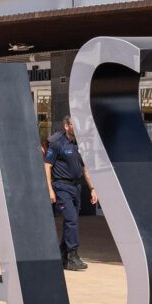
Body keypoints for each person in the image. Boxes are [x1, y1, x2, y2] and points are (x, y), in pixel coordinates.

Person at [43, 115, 96, 271]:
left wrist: (93, 188)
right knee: (71, 220)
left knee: (71, 222)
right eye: (75, 125)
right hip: (61, 187)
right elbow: (47, 166)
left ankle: (62, 255)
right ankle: (73, 257)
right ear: (67, 126)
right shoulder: (57, 144)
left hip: (76, 188)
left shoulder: (80, 145)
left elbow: (85, 168)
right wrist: (50, 189)